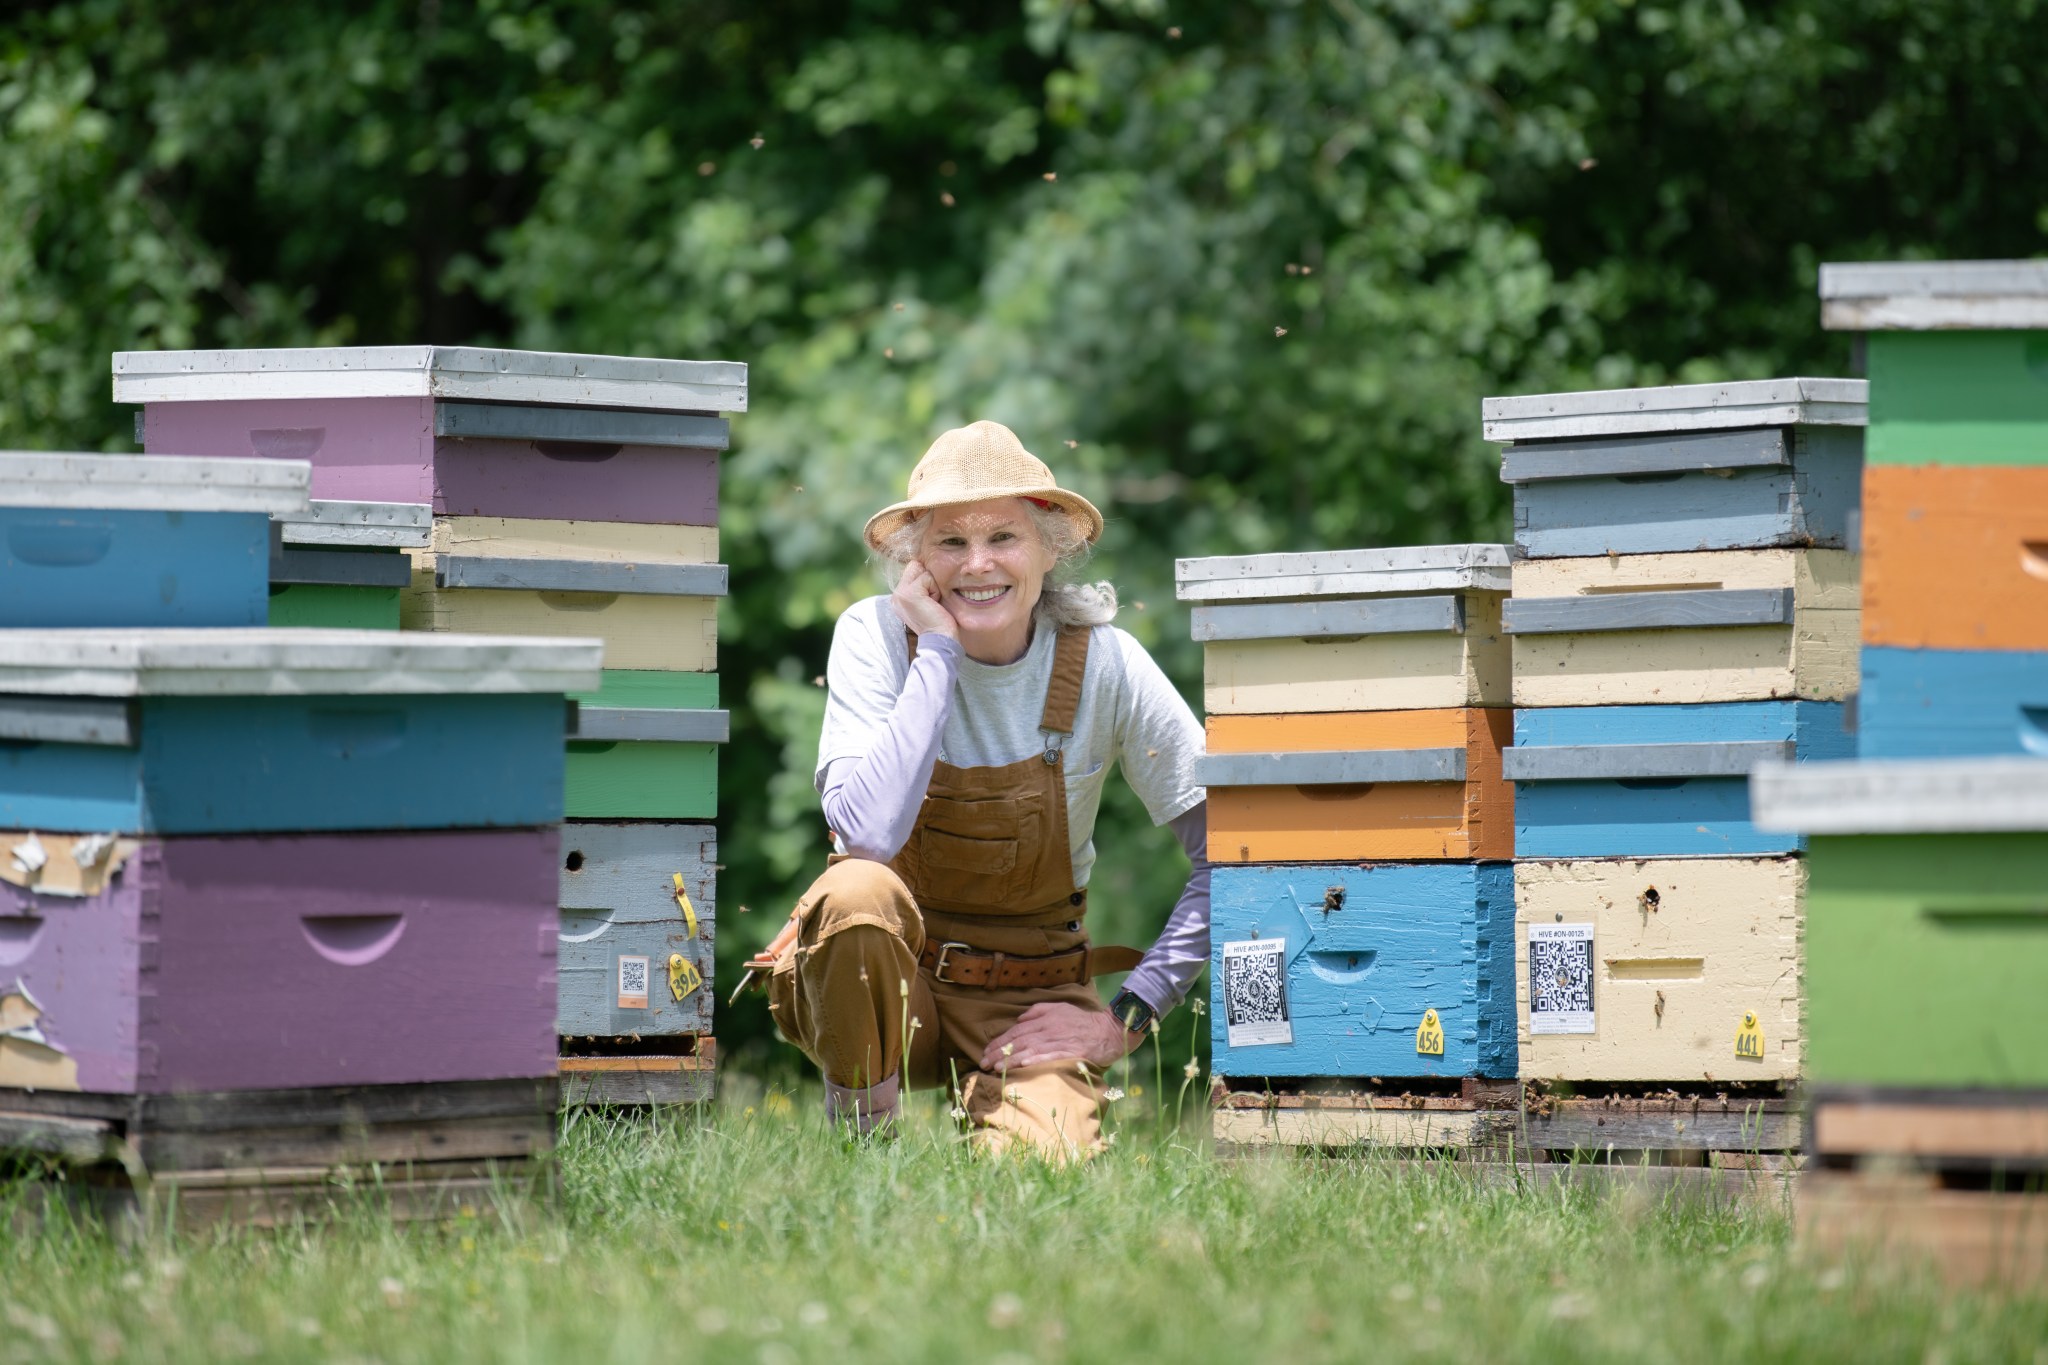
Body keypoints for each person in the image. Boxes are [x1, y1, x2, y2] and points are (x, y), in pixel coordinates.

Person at [747, 420, 1211, 1158]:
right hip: (891, 986)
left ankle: (1010, 1124)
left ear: (1051, 546)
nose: (978, 564)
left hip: (1030, 998)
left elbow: (1237, 852)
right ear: (913, 558)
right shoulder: (873, 636)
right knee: (854, 891)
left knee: (1044, 1177)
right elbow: (864, 835)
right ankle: (865, 1152)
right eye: (951, 542)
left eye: (1003, 537)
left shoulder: (1108, 662)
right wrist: (937, 650)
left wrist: (1125, 1017)